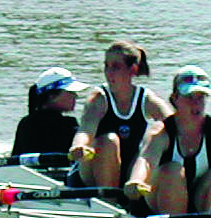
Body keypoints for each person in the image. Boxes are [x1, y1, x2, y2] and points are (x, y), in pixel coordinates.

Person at [124, 66, 211, 218]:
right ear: (174, 99)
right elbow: (146, 161)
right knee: (173, 171)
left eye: (201, 97)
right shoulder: (160, 133)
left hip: (198, 201)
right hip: (156, 204)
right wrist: (137, 180)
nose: (196, 104)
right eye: (189, 97)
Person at [68, 40, 172, 193]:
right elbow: (85, 130)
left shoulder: (146, 99)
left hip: (129, 171)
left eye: (116, 67)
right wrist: (79, 146)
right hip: (91, 172)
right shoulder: (99, 98)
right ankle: (108, 201)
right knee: (109, 141)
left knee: (153, 142)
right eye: (106, 66)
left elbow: (176, 125)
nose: (109, 73)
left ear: (133, 70)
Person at [12, 66, 89, 157]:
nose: (75, 96)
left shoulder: (26, 122)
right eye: (71, 92)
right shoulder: (67, 125)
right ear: (51, 96)